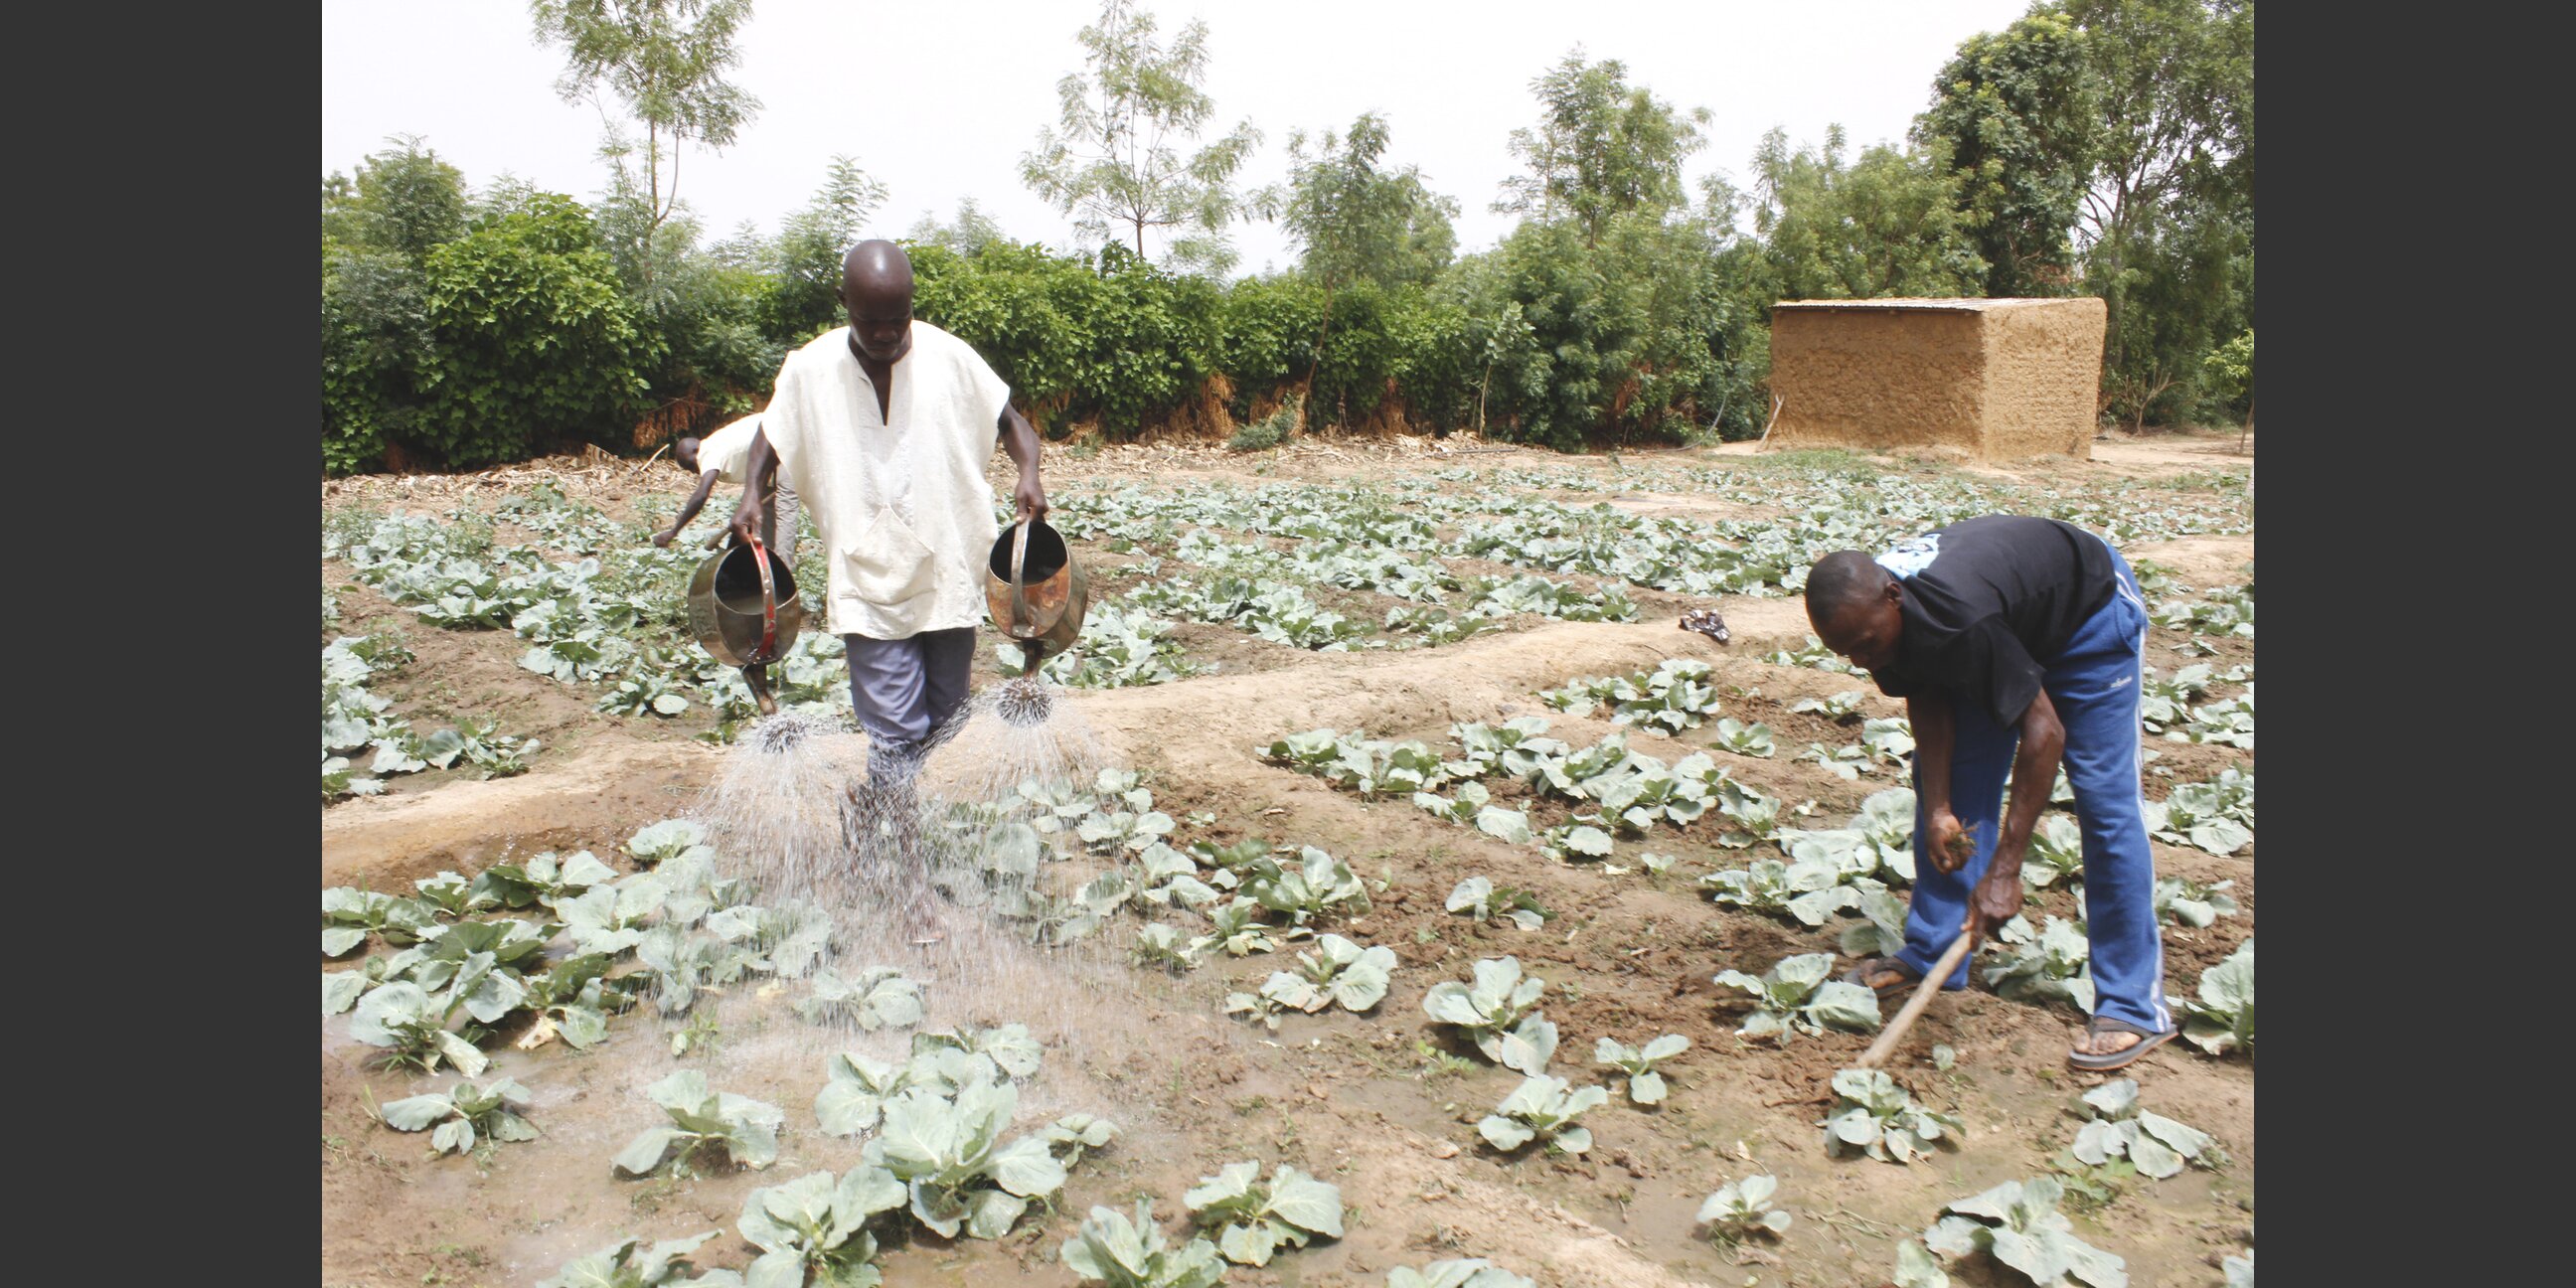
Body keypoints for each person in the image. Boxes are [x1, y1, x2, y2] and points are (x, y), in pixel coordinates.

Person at [724, 240, 1047, 942]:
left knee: (946, 718)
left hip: (946, 570)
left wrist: (1029, 472)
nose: (886, 334)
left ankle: (871, 803)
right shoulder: (810, 370)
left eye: (897, 318)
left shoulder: (947, 355)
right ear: (847, 306)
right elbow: (769, 438)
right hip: (867, 580)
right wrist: (752, 491)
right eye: (872, 321)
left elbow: (1013, 425)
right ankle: (909, 886)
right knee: (895, 737)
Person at [1801, 515, 2173, 1071]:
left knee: (2105, 804)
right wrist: (1942, 808)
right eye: (1847, 653)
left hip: (2086, 618)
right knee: (1946, 790)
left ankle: (2133, 1005)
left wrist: (2005, 871)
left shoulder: (1954, 614)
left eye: (1867, 646)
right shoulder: (1873, 626)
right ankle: (1935, 955)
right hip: (2000, 627)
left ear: (1894, 598)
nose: (1863, 661)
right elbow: (1922, 686)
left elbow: (2044, 734)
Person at [651, 414, 802, 564]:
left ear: (696, 450)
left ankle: (784, 567)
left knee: (785, 507)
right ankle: (767, 565)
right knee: (762, 511)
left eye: (691, 465)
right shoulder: (717, 443)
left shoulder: (708, 453)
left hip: (785, 439)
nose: (694, 471)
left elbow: (701, 495)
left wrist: (673, 531)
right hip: (772, 454)